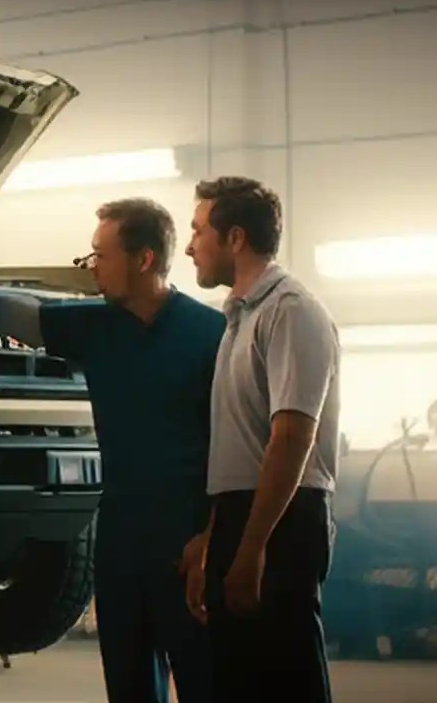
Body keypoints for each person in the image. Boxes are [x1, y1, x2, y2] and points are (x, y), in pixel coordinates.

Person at [0, 198, 223, 703]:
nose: (92, 267)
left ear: (143, 259)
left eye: (100, 255)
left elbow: (238, 451)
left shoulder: (212, 335)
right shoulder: (97, 326)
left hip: (188, 544)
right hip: (120, 541)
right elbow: (9, 312)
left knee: (205, 681)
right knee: (128, 685)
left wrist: (212, 541)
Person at [182, 175, 340, 702]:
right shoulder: (238, 318)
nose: (189, 247)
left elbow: (291, 439)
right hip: (242, 514)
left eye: (198, 230)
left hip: (282, 520)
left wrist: (252, 549)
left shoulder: (290, 310)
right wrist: (214, 538)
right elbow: (238, 444)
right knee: (238, 682)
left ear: (235, 238)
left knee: (287, 680)